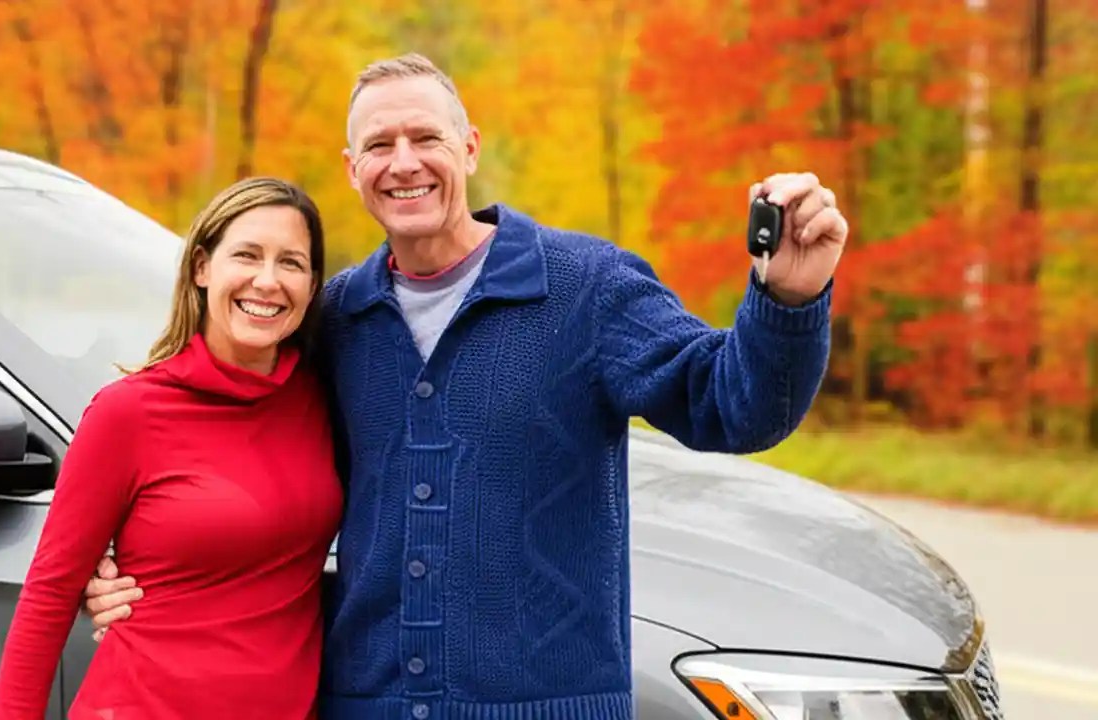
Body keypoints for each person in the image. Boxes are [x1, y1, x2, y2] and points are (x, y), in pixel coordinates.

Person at [84, 54, 849, 720]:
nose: (404, 161)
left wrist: (786, 302)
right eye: (379, 145)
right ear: (353, 169)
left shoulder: (585, 289)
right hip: (364, 704)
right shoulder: (337, 318)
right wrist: (122, 553)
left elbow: (732, 406)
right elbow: (228, 449)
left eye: (426, 138)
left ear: (470, 148)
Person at [0, 177, 343, 720]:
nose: (267, 281)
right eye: (246, 255)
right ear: (202, 267)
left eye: (292, 263)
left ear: (314, 283)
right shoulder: (127, 413)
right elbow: (48, 594)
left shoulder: (323, 399)